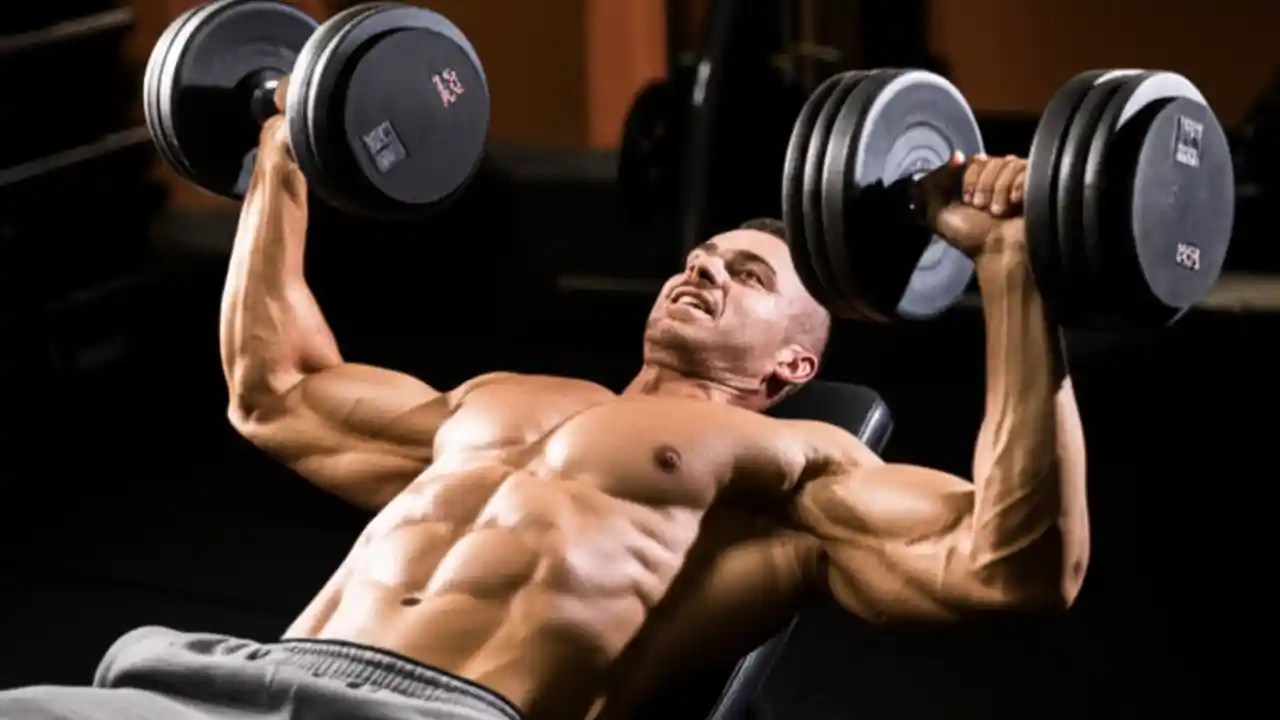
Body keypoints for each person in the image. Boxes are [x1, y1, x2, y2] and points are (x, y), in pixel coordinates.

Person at [0, 87, 1089, 720]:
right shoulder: (504, 401)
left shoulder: (793, 467)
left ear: (790, 368)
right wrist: (280, 149)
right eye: (703, 256)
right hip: (222, 687)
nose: (702, 271)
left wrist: (1009, 275)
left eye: (746, 278)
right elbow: (276, 391)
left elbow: (1013, 566)